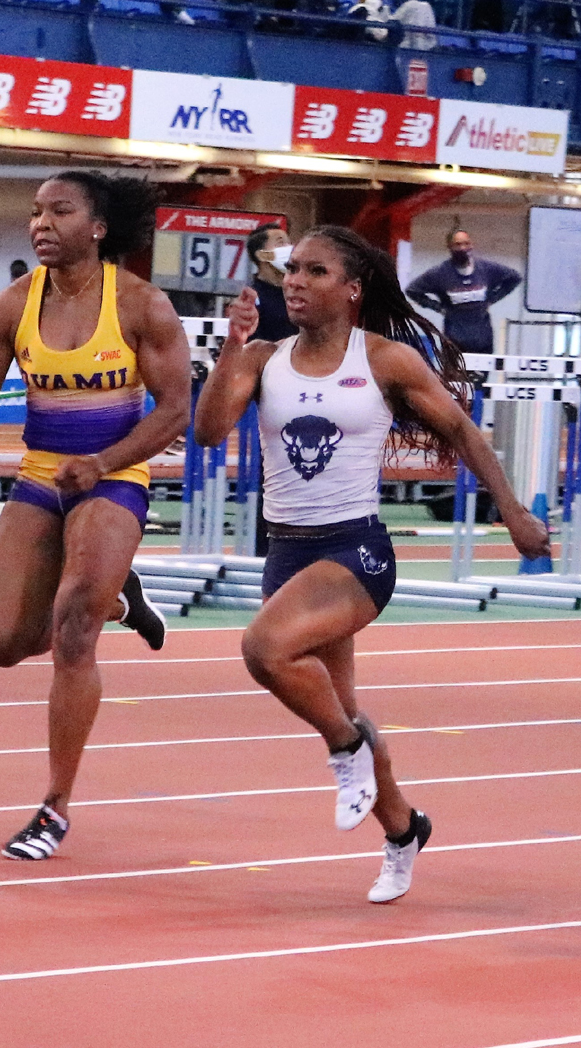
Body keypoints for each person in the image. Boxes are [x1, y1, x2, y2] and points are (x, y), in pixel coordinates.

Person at [195, 226, 547, 901]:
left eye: (315, 271)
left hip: (355, 550)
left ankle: (344, 752)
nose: (295, 280)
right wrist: (228, 353)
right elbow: (209, 432)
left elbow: (462, 430)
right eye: (291, 269)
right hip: (287, 551)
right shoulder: (263, 357)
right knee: (344, 708)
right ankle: (403, 828)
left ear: (351, 290)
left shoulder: (385, 360)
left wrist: (511, 509)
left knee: (264, 648)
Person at [0, 171, 190, 861]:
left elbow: (173, 411)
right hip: (41, 477)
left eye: (59, 211)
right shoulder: (12, 304)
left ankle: (54, 807)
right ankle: (119, 598)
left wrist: (102, 464)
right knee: (2, 642)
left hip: (114, 478)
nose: (41, 223)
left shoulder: (142, 306)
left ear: (96, 226)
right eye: (37, 212)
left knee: (72, 632)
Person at [404, 224, 522, 355]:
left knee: (479, 375)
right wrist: (438, 307)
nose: (463, 248)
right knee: (455, 375)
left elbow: (515, 277)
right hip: (454, 341)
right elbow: (412, 290)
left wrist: (492, 299)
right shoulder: (440, 273)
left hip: (483, 340)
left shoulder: (486, 268)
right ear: (450, 247)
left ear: (472, 245)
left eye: (466, 243)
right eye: (458, 244)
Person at [244, 222, 297, 342]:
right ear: (263, 255)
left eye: (289, 243)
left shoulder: (297, 291)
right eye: (281, 243)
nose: (289, 248)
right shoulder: (253, 298)